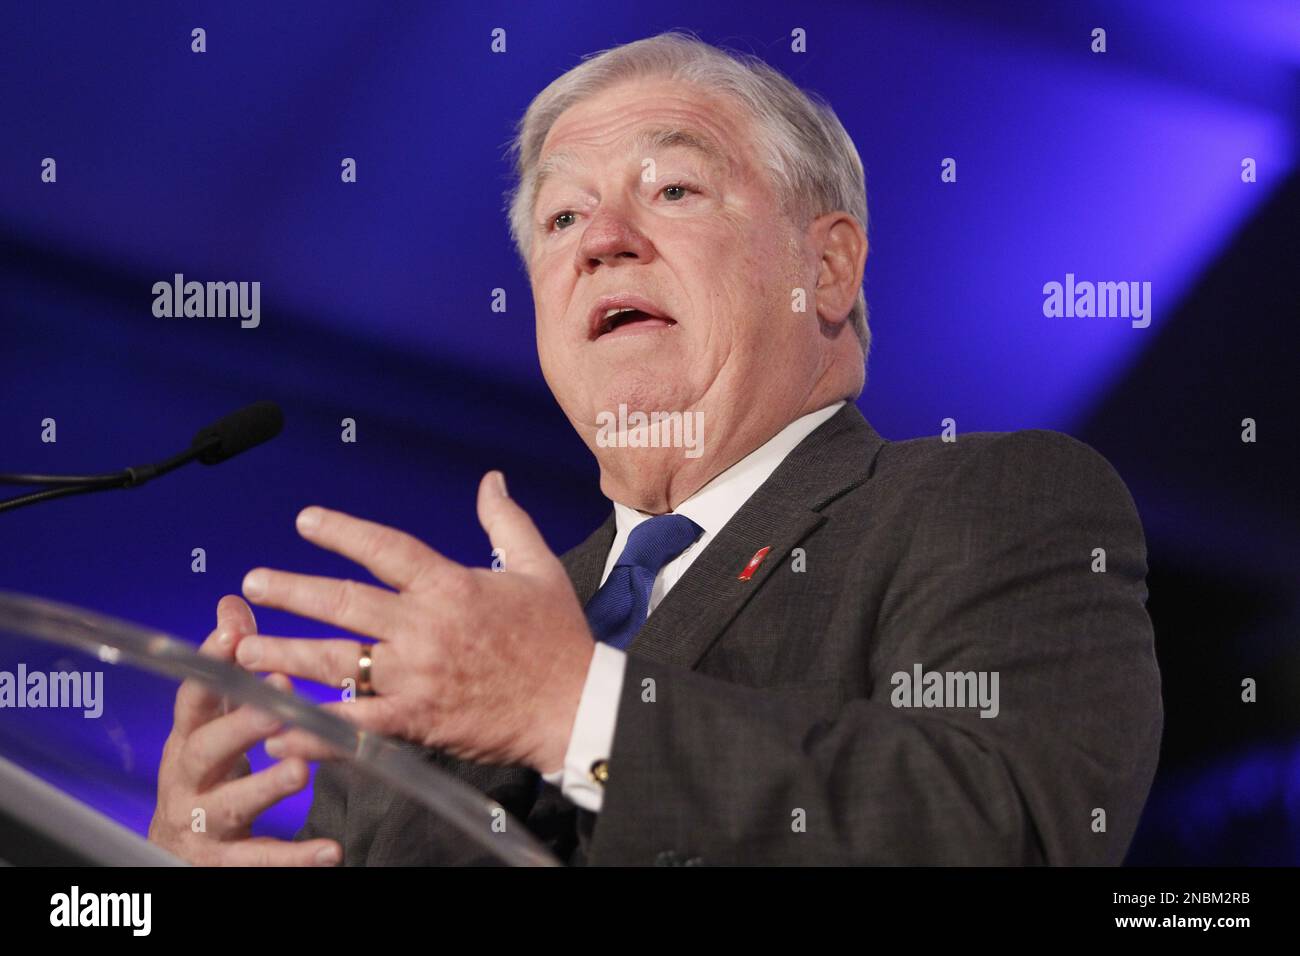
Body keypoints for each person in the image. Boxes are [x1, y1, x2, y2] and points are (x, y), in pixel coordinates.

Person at [149, 31, 1162, 866]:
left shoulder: (988, 501)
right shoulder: (444, 663)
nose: (601, 239)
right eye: (561, 216)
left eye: (671, 189)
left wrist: (568, 705)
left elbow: (1012, 827)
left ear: (828, 264)